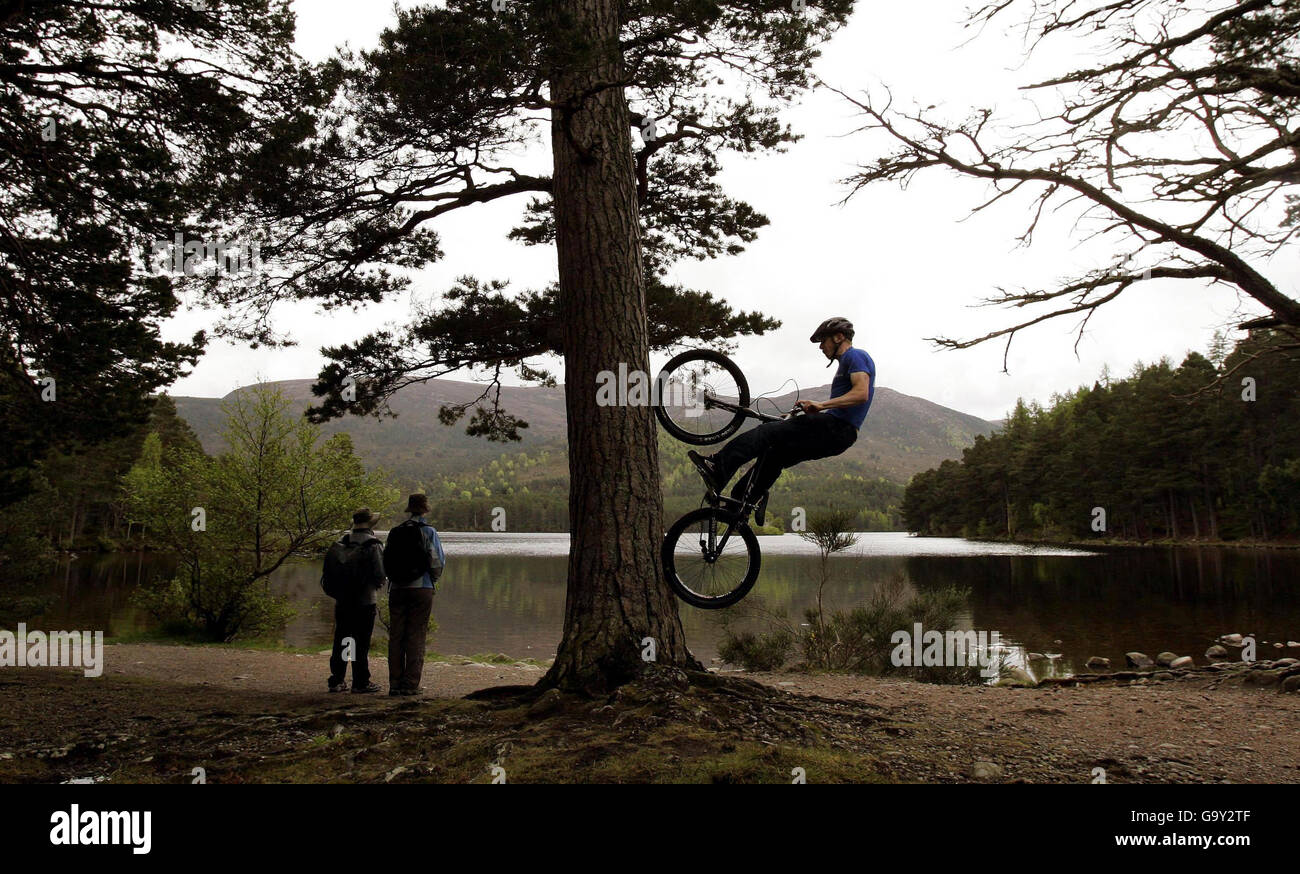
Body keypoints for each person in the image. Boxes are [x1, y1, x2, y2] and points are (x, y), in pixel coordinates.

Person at [687, 317, 875, 523]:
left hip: (837, 428)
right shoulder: (845, 363)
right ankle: (740, 504)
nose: (821, 346)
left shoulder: (855, 356)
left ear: (839, 337)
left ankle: (718, 466)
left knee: (768, 433)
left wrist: (820, 406)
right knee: (775, 456)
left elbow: (861, 393)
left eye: (824, 340)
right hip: (837, 434)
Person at [385, 493, 445, 697]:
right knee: (416, 635)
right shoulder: (429, 532)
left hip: (397, 589)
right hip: (421, 588)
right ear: (425, 510)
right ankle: (410, 684)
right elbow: (437, 563)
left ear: (409, 510)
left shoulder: (395, 532)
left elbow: (387, 561)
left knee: (396, 636)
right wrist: (431, 581)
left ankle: (394, 683)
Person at [326, 508, 387, 694]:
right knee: (361, 642)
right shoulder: (373, 545)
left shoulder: (342, 543)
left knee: (343, 639)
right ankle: (360, 681)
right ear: (370, 525)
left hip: (343, 601)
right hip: (365, 601)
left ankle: (337, 679)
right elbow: (380, 575)